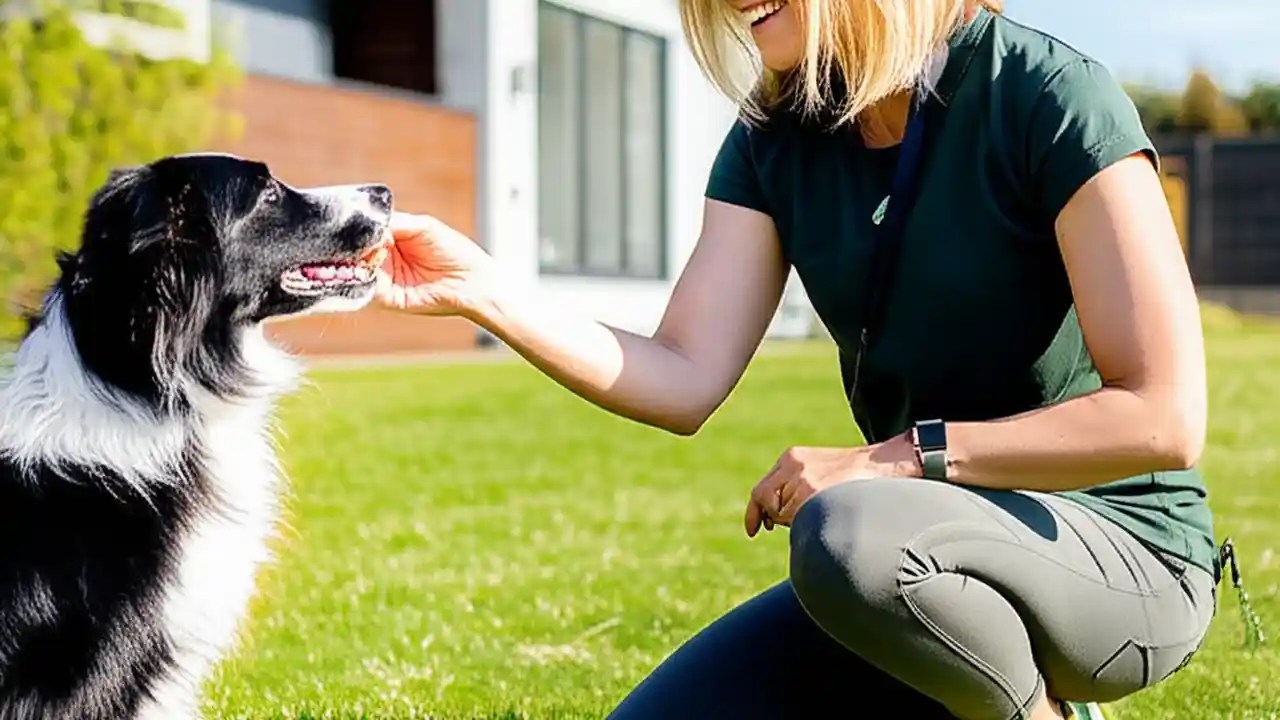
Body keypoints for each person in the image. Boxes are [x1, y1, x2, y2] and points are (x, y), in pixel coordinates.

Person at [372, 1, 1223, 717]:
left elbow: (1165, 415)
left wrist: (898, 459)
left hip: (1122, 551)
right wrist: (484, 289)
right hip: (917, 559)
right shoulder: (773, 137)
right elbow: (682, 372)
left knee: (846, 537)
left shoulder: (1048, 93)